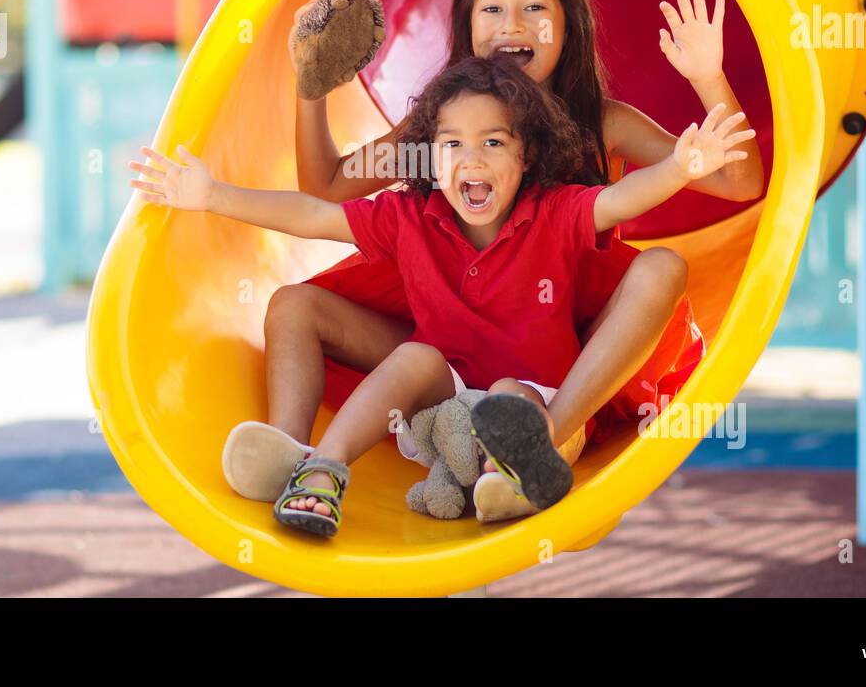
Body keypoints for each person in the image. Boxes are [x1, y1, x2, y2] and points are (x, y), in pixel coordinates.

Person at [128, 54, 753, 537]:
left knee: (508, 401)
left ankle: (513, 475)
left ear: (528, 155)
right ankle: (313, 465)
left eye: (493, 143)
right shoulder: (409, 217)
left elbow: (621, 199)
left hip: (534, 404)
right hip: (443, 401)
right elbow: (314, 213)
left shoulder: (556, 211)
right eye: (453, 144)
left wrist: (681, 168)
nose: (470, 159)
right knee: (410, 355)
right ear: (430, 156)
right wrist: (212, 196)